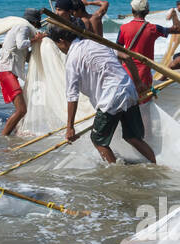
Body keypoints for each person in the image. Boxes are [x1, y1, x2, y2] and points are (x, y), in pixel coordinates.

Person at [50, 19, 156, 165]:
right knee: (133, 137)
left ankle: (116, 175)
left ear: (61, 41)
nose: (59, 49)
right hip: (128, 89)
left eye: (57, 45)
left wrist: (70, 128)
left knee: (98, 140)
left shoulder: (71, 60)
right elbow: (126, 56)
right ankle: (155, 163)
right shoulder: (96, 43)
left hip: (111, 97)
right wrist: (137, 82)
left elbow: (72, 96)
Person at [116, 0, 180, 100]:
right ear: (147, 12)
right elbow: (174, 30)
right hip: (144, 76)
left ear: (132, 10)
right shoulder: (153, 29)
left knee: (128, 106)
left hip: (127, 74)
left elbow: (118, 52)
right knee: (145, 106)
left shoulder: (123, 28)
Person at [0, 8, 46, 136]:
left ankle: (17, 131)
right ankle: (4, 137)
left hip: (7, 70)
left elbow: (24, 54)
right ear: (33, 22)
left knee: (21, 107)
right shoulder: (23, 27)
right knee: (22, 109)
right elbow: (21, 44)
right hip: (6, 71)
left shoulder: (19, 26)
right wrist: (37, 39)